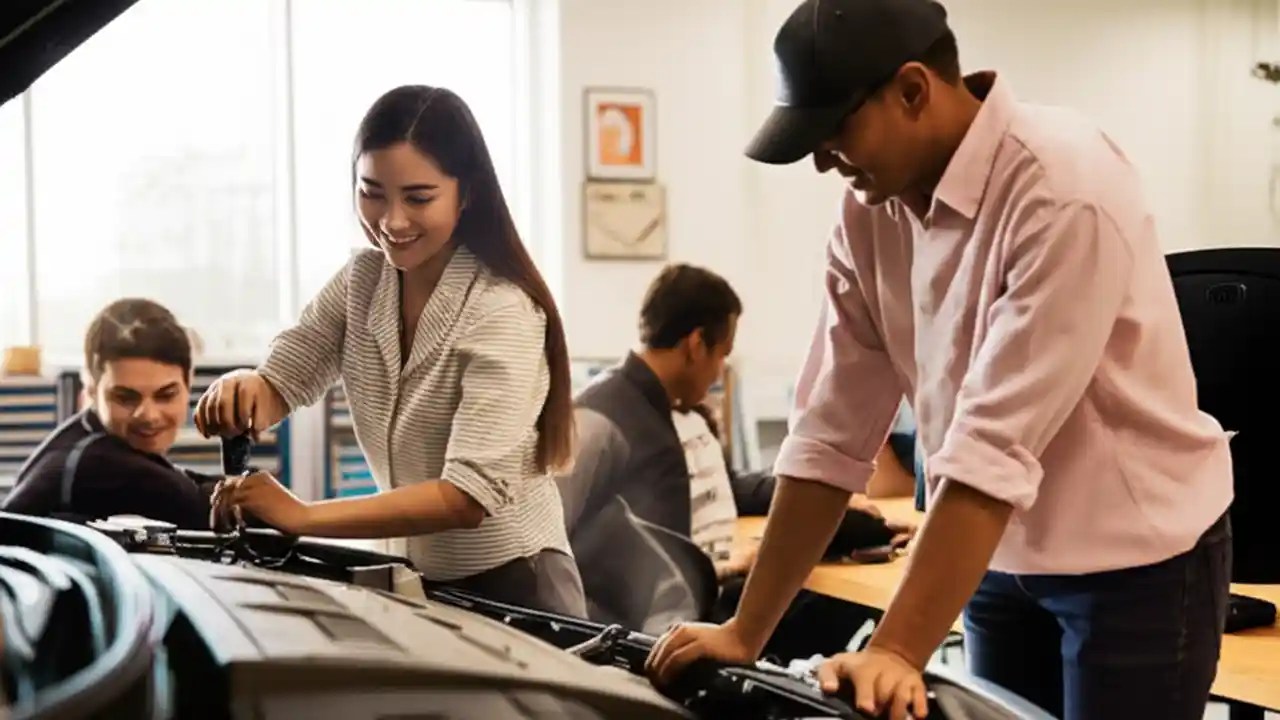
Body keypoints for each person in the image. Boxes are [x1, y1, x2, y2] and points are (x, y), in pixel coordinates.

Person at [645, 2, 1233, 720]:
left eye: (834, 132)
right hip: (994, 554)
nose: (824, 160)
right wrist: (746, 631)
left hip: (1134, 560)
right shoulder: (869, 215)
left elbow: (994, 441)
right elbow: (828, 434)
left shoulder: (1062, 185)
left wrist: (895, 649)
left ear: (914, 91)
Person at [197, 85, 586, 617]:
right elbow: (282, 381)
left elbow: (464, 498)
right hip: (417, 581)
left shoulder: (503, 309)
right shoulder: (363, 281)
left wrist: (302, 516)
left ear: (465, 193)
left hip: (516, 584)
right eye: (372, 192)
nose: (391, 221)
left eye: (418, 197)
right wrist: (243, 388)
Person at [558, 264, 913, 650]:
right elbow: (588, 550)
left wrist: (828, 497)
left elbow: (729, 486)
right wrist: (725, 568)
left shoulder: (671, 414)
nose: (720, 370)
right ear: (696, 344)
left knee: (845, 563)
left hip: (696, 594)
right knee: (841, 601)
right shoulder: (605, 422)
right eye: (722, 354)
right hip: (665, 624)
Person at [3, 299, 215, 528]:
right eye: (125, 398)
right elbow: (201, 505)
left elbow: (183, 481)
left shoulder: (81, 439)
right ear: (92, 390)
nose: (149, 415)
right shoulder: (96, 464)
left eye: (166, 395)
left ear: (188, 384)